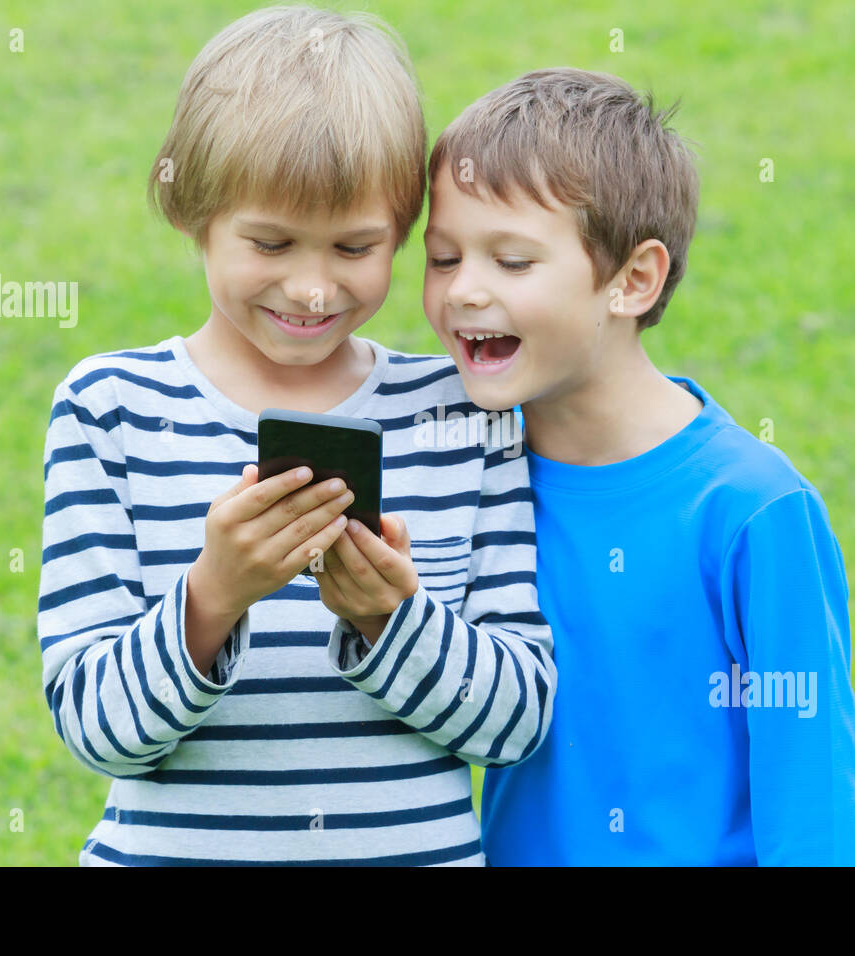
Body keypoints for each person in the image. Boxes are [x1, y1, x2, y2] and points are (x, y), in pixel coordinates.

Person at [37, 6, 554, 866]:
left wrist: (394, 619)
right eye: (271, 242)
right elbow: (98, 731)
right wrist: (213, 597)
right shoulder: (110, 409)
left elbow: (518, 724)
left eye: (355, 247)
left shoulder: (464, 415)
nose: (312, 288)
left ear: (406, 232)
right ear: (192, 210)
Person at [421, 67, 855, 864]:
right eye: (444, 257)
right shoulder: (468, 480)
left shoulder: (753, 510)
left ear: (634, 279)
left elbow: (813, 806)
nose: (463, 291)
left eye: (512, 262)